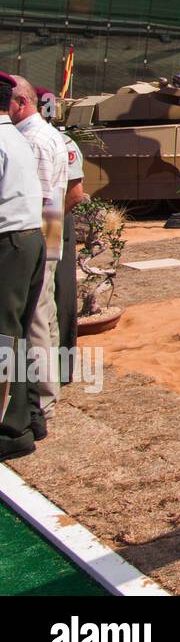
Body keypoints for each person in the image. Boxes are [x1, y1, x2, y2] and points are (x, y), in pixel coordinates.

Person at [6, 75, 67, 436]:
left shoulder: (35, 140)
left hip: (40, 232)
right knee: (44, 316)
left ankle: (42, 400)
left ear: (21, 103)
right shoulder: (37, 135)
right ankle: (45, 390)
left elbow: (40, 197)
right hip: (46, 231)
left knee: (37, 321)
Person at [0, 76, 45, 460]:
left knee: (3, 339)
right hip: (29, 237)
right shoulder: (16, 135)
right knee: (17, 333)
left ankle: (11, 432)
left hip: (8, 242)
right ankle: (30, 415)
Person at [56, 129, 85, 386]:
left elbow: (75, 194)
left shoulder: (59, 141)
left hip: (50, 224)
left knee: (61, 296)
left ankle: (61, 368)